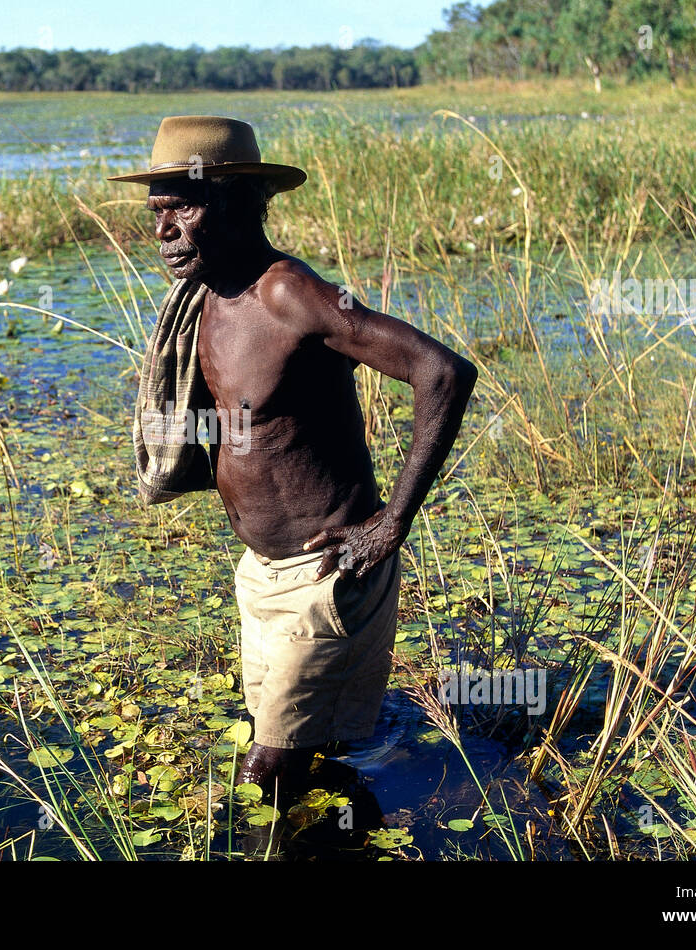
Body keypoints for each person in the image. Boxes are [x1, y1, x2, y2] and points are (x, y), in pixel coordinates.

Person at [115, 116, 478, 805]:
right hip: (262, 574)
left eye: (183, 207)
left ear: (242, 201)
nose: (163, 231)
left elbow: (443, 372)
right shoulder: (206, 296)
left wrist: (389, 522)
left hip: (325, 576)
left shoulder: (287, 294)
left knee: (265, 777)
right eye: (157, 210)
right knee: (315, 763)